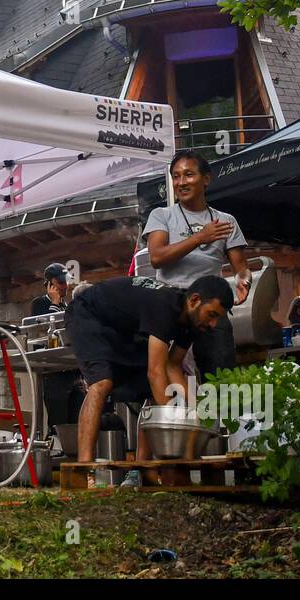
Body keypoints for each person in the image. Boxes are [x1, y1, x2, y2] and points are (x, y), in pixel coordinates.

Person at [67, 274, 234, 464]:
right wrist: (177, 419)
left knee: (152, 390)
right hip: (88, 314)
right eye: (211, 315)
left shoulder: (191, 323)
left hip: (121, 329)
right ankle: (84, 466)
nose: (213, 324)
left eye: (217, 318)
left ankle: (142, 468)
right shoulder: (164, 307)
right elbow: (155, 372)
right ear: (195, 300)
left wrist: (199, 409)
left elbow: (172, 366)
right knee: (102, 383)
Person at [142, 151, 252, 378]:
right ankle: (180, 412)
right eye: (176, 176)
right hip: (171, 304)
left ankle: (220, 412)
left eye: (189, 175)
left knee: (222, 373)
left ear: (206, 179)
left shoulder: (226, 221)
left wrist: (244, 279)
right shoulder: (161, 215)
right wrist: (200, 237)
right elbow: (157, 257)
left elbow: (241, 267)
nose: (181, 182)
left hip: (210, 306)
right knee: (171, 373)